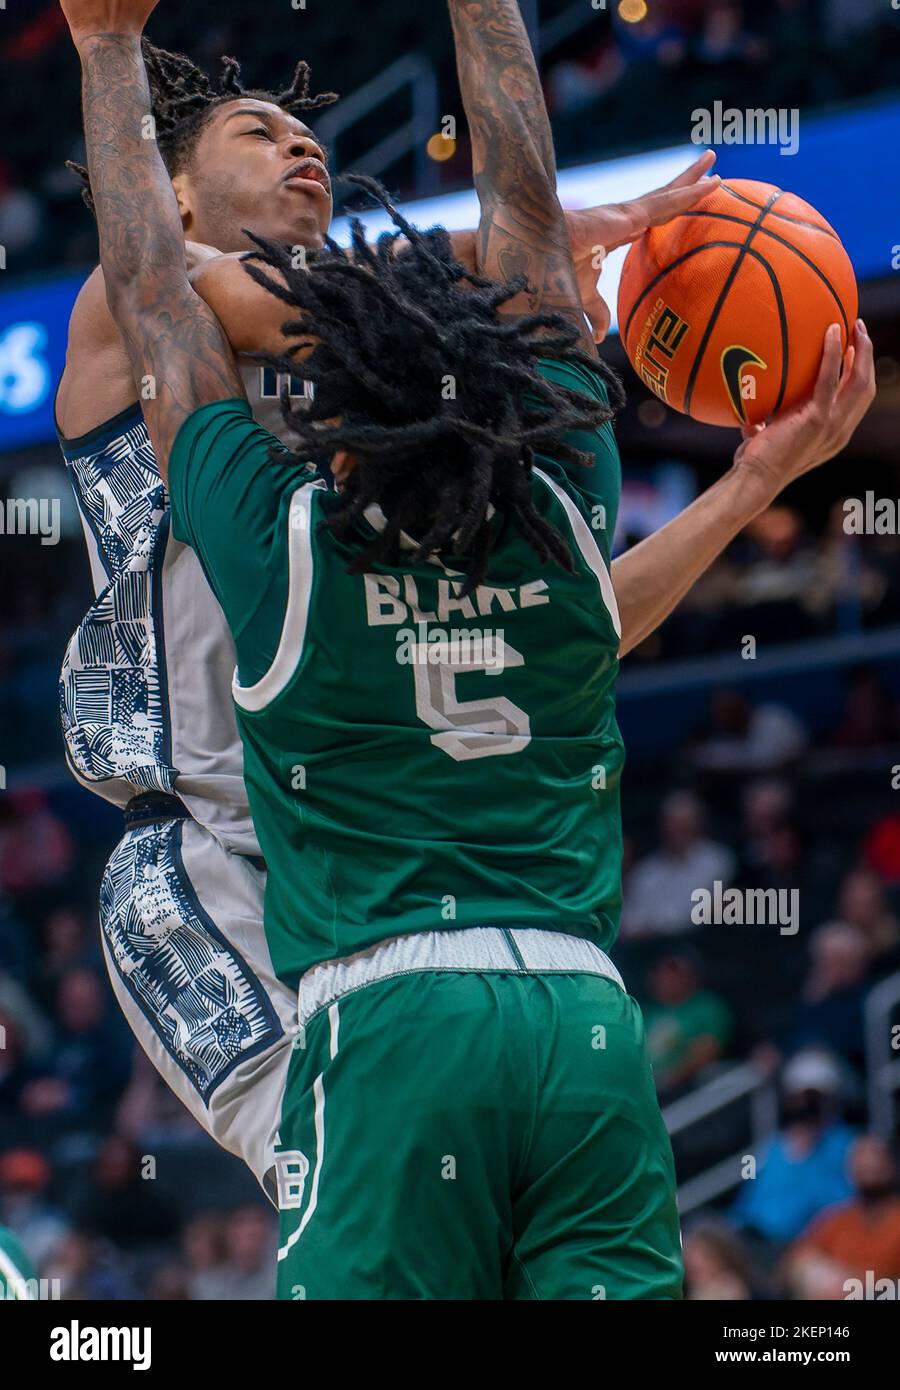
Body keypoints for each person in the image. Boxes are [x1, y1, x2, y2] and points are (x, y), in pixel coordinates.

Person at [60, 0, 874, 1300]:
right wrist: (530, 253)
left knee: (422, 1205)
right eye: (262, 132)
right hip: (213, 849)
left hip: (386, 871)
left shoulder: (365, 416)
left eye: (311, 135)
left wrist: (526, 265)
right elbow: (178, 284)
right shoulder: (134, 291)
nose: (304, 148)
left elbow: (580, 620)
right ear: (172, 196)